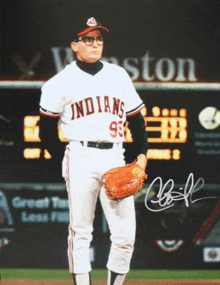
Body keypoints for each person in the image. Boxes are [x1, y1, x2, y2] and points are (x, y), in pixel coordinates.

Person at [39, 16, 148, 285]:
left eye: (99, 39)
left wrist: (142, 156)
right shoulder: (58, 83)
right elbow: (45, 132)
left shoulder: (118, 74)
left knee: (125, 235)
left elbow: (136, 119)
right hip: (80, 155)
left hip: (115, 156)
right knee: (80, 231)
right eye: (88, 39)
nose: (95, 43)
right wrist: (66, 160)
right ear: (74, 45)